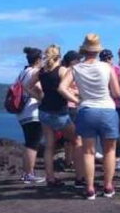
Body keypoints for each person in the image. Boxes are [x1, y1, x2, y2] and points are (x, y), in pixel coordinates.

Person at [59, 34, 120, 200]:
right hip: (107, 110)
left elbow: (62, 88)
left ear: (84, 50)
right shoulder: (107, 67)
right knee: (110, 151)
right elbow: (116, 92)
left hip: (86, 110)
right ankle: (108, 186)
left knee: (88, 152)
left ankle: (90, 188)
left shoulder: (75, 68)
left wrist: (77, 100)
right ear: (98, 50)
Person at [27, 45, 80, 187]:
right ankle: (80, 176)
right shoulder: (63, 70)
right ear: (59, 56)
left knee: (49, 146)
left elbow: (27, 86)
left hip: (44, 111)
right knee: (77, 142)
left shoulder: (41, 71)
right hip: (59, 112)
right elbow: (66, 89)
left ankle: (50, 178)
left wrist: (39, 97)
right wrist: (77, 98)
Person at [16, 47, 45, 184]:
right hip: (33, 112)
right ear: (38, 60)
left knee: (29, 142)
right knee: (33, 143)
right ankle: (29, 174)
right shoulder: (34, 72)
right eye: (42, 58)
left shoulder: (22, 72)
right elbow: (38, 88)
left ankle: (26, 173)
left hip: (22, 112)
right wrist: (43, 98)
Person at [61, 50, 83, 182]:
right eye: (77, 60)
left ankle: (68, 160)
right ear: (72, 61)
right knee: (75, 137)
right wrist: (77, 93)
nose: (80, 62)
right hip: (71, 105)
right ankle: (74, 162)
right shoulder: (68, 71)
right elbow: (65, 88)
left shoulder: (65, 70)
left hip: (68, 105)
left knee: (69, 138)